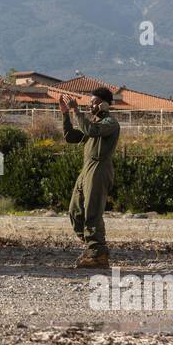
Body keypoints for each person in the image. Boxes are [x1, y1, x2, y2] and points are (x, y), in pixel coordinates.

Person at [59, 86, 121, 268]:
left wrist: (76, 110)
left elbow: (92, 130)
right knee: (75, 210)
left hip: (99, 168)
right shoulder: (92, 122)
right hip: (87, 169)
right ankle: (92, 248)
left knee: (93, 211)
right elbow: (71, 137)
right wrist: (65, 114)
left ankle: (97, 253)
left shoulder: (110, 122)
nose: (90, 106)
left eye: (93, 103)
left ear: (104, 104)